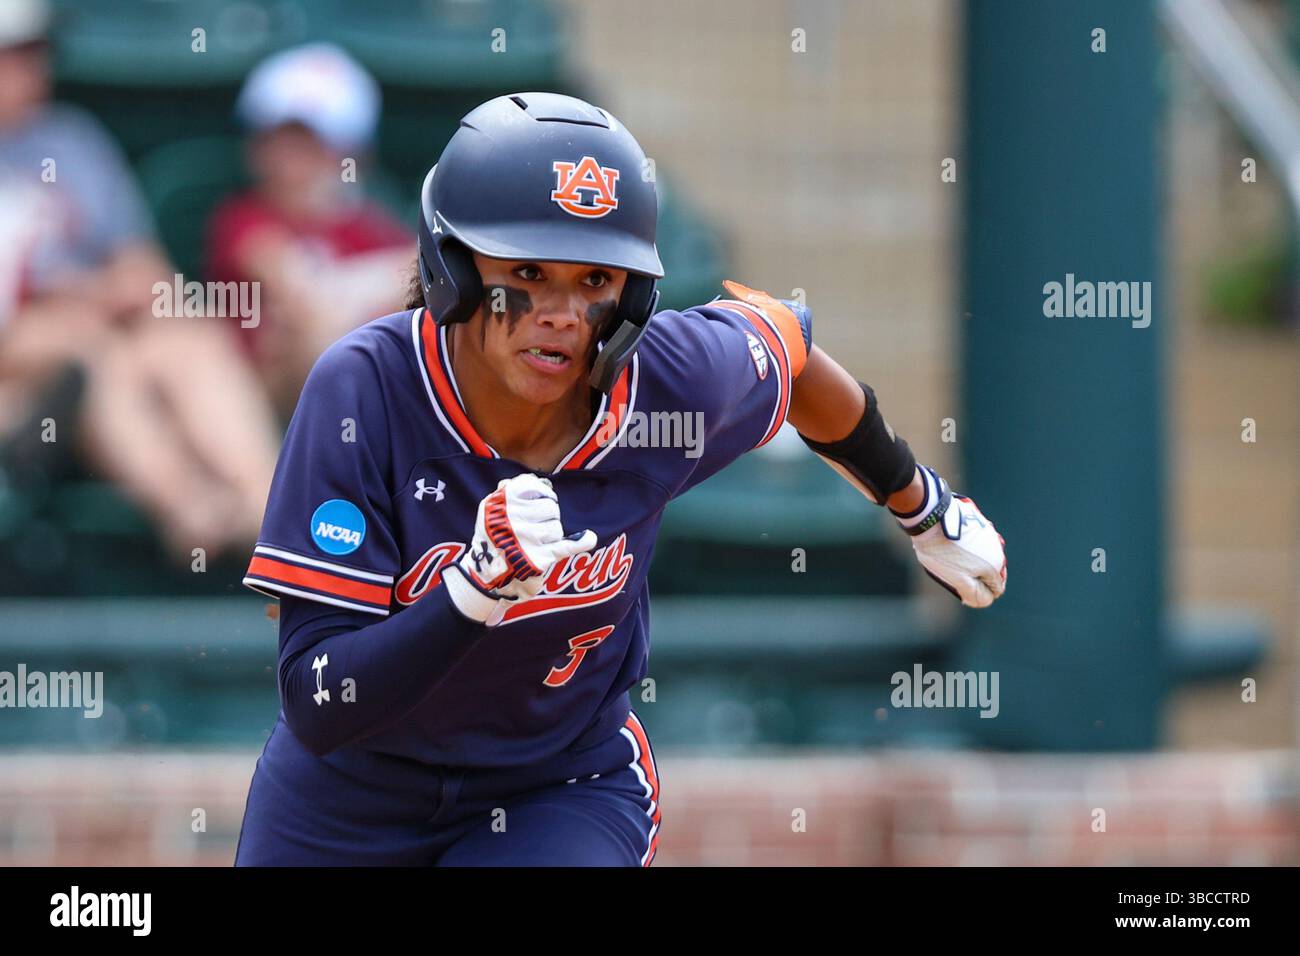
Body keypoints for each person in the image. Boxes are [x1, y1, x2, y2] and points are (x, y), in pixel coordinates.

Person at [235, 92, 1007, 866]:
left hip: (556, 785)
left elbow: (792, 349)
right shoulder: (365, 393)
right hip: (347, 794)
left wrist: (922, 506)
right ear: (452, 271)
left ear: (635, 295)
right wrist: (472, 596)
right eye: (527, 272)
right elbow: (318, 701)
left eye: (597, 280)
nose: (563, 312)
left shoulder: (671, 386)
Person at [0, 0, 279, 560]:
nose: (28, 68)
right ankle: (188, 507)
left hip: (94, 328)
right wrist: (75, 301)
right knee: (86, 348)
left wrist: (125, 291)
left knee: (185, 333)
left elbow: (144, 266)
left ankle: (267, 512)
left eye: (35, 53)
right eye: (12, 55)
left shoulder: (70, 140)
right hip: (29, 356)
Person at [205, 43, 414, 416]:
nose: (289, 160)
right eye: (277, 141)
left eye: (310, 145)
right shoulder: (245, 218)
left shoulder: (372, 225)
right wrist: (374, 288)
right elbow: (292, 287)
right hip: (263, 402)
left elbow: (425, 274)